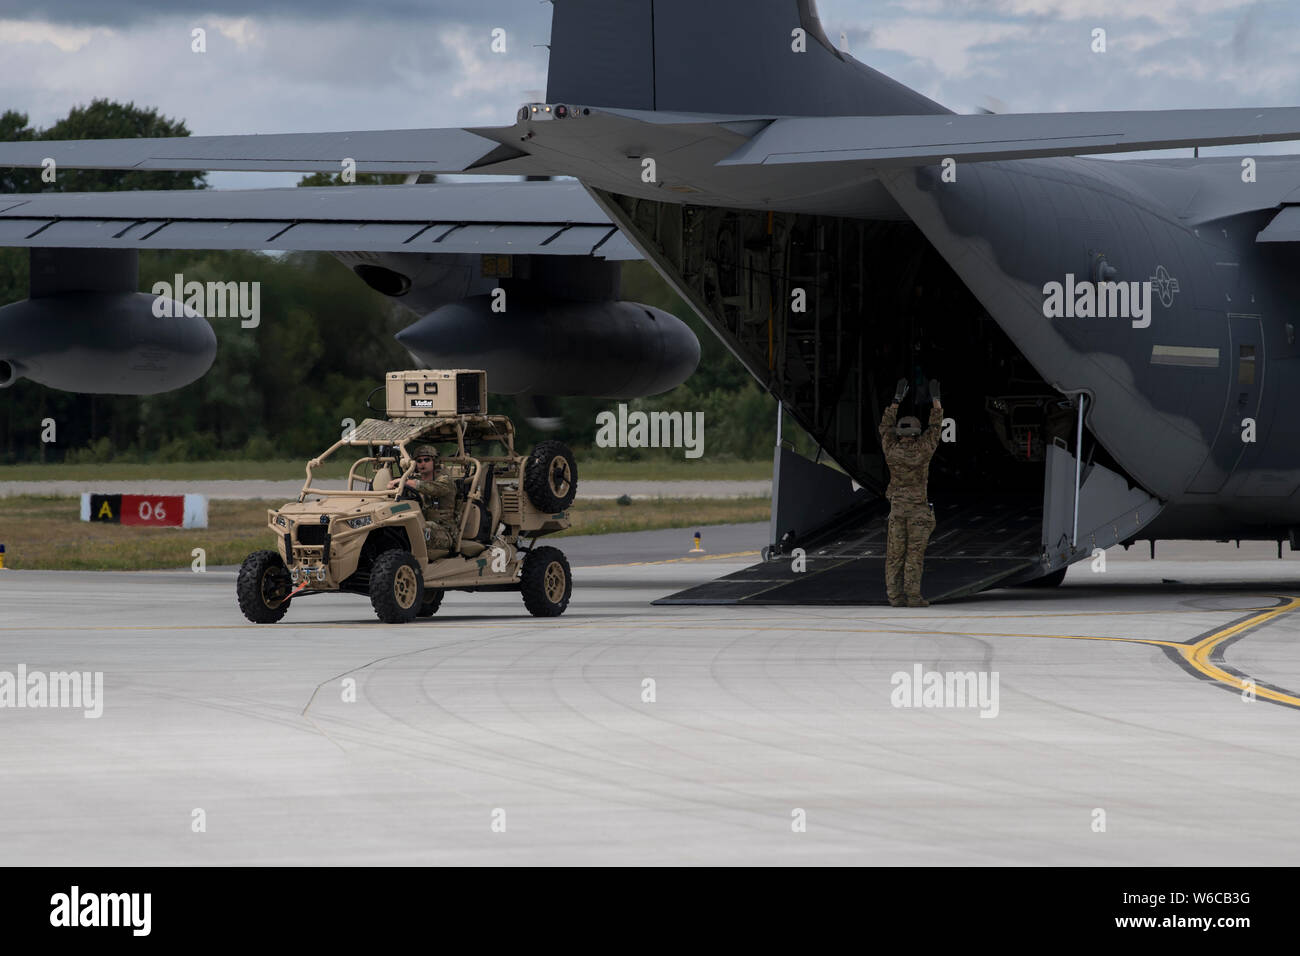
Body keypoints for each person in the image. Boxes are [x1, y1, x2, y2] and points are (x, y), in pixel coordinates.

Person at [879, 379, 943, 607]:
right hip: (917, 510)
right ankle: (913, 597)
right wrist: (936, 402)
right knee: (914, 555)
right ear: (917, 433)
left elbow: (884, 428)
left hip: (897, 509)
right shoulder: (923, 450)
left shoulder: (891, 451)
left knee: (894, 556)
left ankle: (894, 597)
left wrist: (895, 402)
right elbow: (935, 430)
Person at [389, 444, 459, 554]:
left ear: (434, 461)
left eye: (427, 460)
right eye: (419, 461)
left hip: (445, 532)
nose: (423, 463)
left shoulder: (445, 480)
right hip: (421, 524)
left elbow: (435, 489)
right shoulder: (413, 480)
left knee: (421, 528)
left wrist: (407, 482)